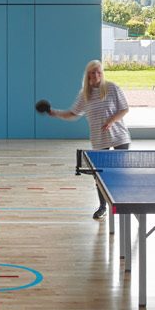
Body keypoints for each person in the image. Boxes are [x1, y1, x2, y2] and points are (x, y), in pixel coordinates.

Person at [45, 59, 131, 219]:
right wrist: (54, 112)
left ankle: (124, 203)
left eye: (99, 72)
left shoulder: (112, 88)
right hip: (99, 139)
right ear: (88, 74)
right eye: (93, 72)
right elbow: (72, 113)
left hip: (119, 137)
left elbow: (125, 108)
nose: (96, 75)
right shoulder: (84, 94)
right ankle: (102, 207)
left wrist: (111, 120)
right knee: (99, 175)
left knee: (121, 173)